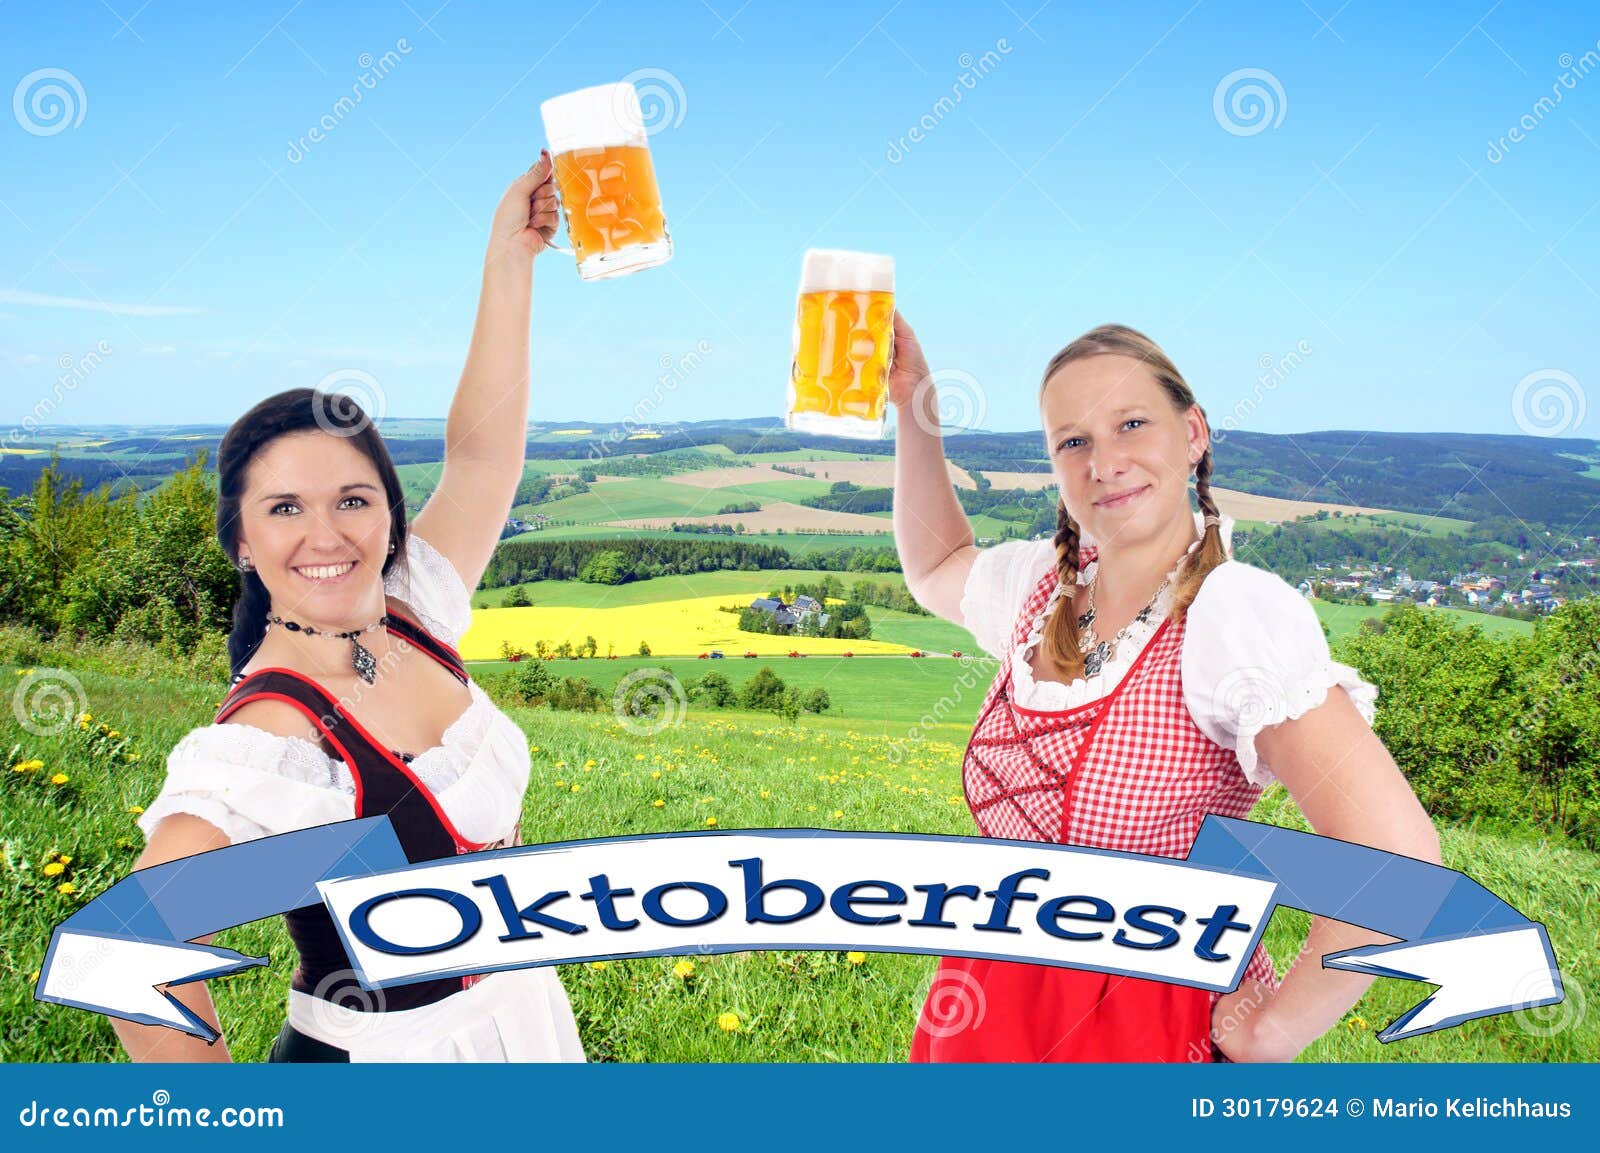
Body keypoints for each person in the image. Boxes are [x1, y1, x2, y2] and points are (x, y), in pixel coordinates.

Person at [114, 151, 584, 1062]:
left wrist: (510, 257)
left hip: (522, 1029)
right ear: (243, 542)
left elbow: (484, 459)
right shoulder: (274, 735)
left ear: (388, 515)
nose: (325, 535)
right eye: (284, 507)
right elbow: (135, 955)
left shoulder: (411, 611)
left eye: (352, 499)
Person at [889, 315, 1443, 1063]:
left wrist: (1273, 1031)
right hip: (985, 1013)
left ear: (1194, 433)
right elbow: (936, 563)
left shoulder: (1232, 614)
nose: (1104, 461)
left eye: (1132, 423)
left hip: (1141, 1033)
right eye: (1073, 440)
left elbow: (1396, 859)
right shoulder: (1041, 591)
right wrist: (914, 403)